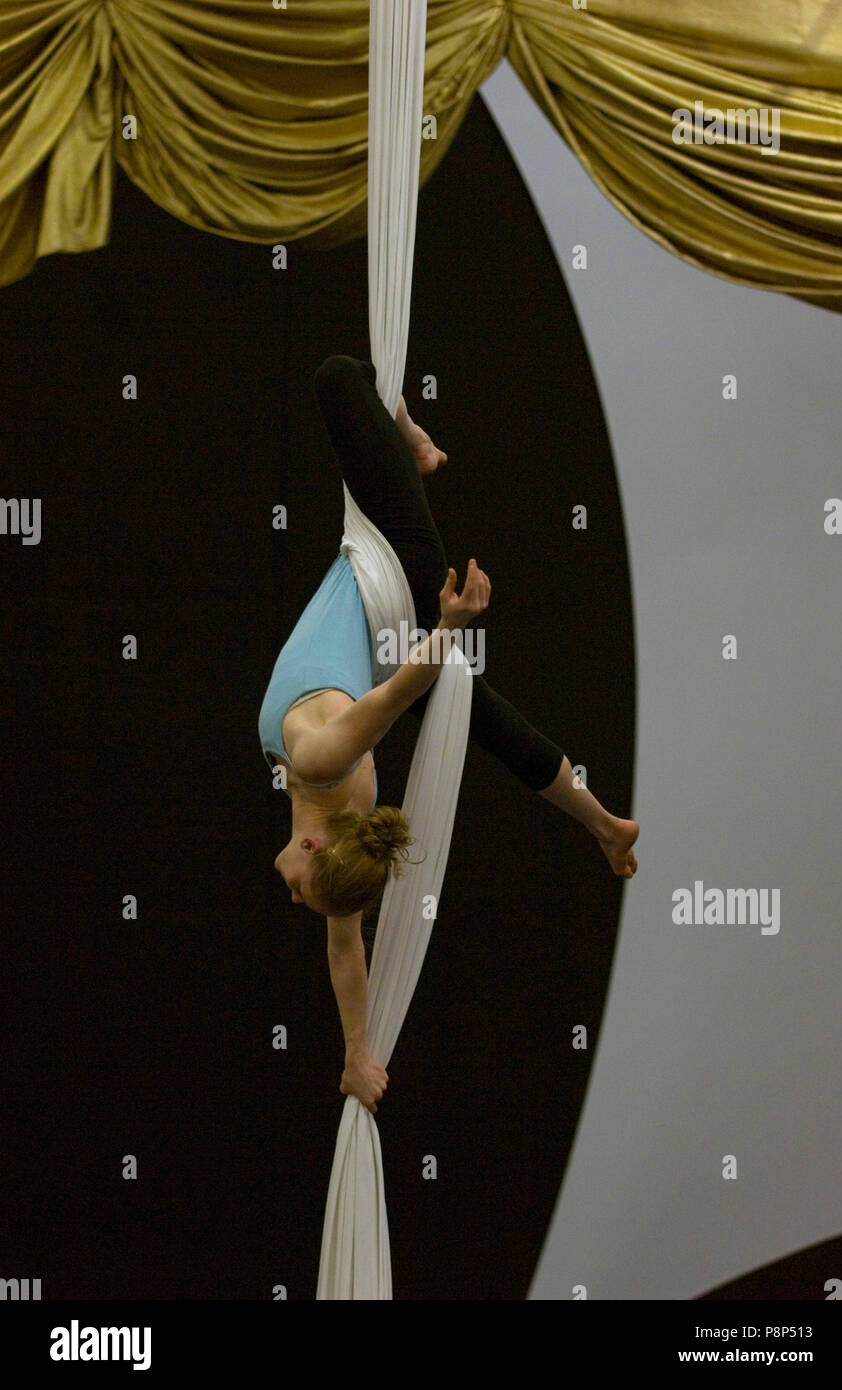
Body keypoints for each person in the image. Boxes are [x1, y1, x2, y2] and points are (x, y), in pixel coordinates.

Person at [259, 355, 639, 1113]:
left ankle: (603, 822)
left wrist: (357, 1057)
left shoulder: (348, 820)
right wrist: (450, 626)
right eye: (305, 891)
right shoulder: (319, 759)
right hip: (396, 578)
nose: (296, 900)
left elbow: (346, 950)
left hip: (390, 613)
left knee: (484, 720)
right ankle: (411, 432)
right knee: (338, 377)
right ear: (310, 848)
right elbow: (402, 687)